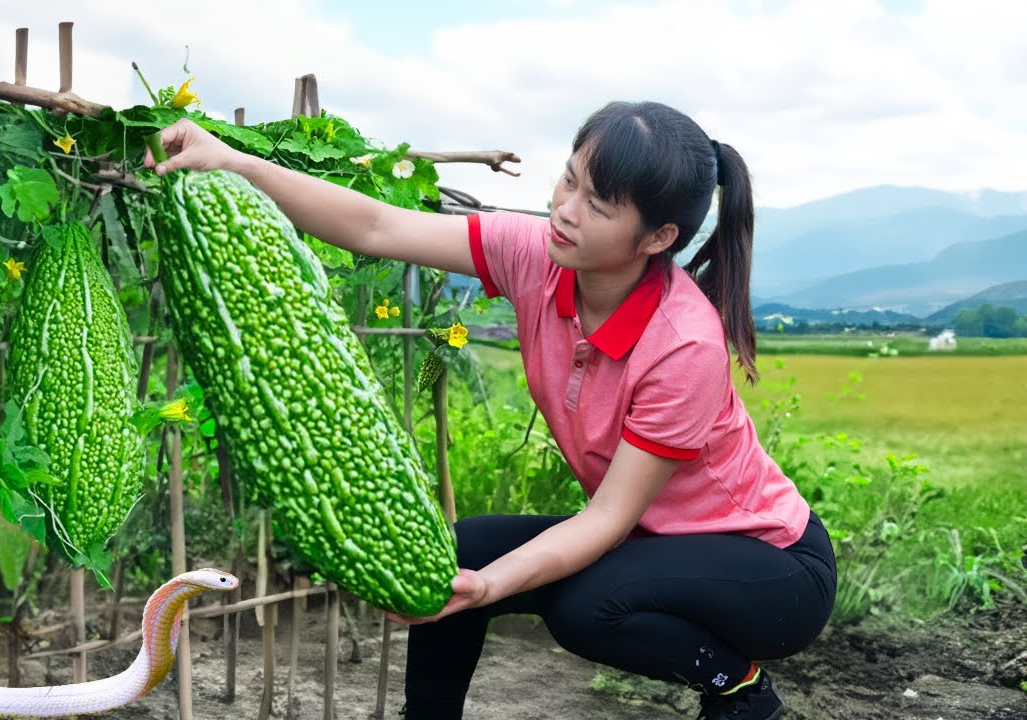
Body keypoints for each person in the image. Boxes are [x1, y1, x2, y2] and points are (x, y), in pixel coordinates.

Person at [145, 100, 837, 720]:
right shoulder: (538, 255)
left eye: (599, 204)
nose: (565, 208)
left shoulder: (682, 344)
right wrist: (231, 160)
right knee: (457, 552)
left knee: (582, 607)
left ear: (657, 238)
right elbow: (380, 227)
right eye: (570, 179)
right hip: (655, 545)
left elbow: (605, 519)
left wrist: (488, 589)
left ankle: (738, 688)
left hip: (769, 568)